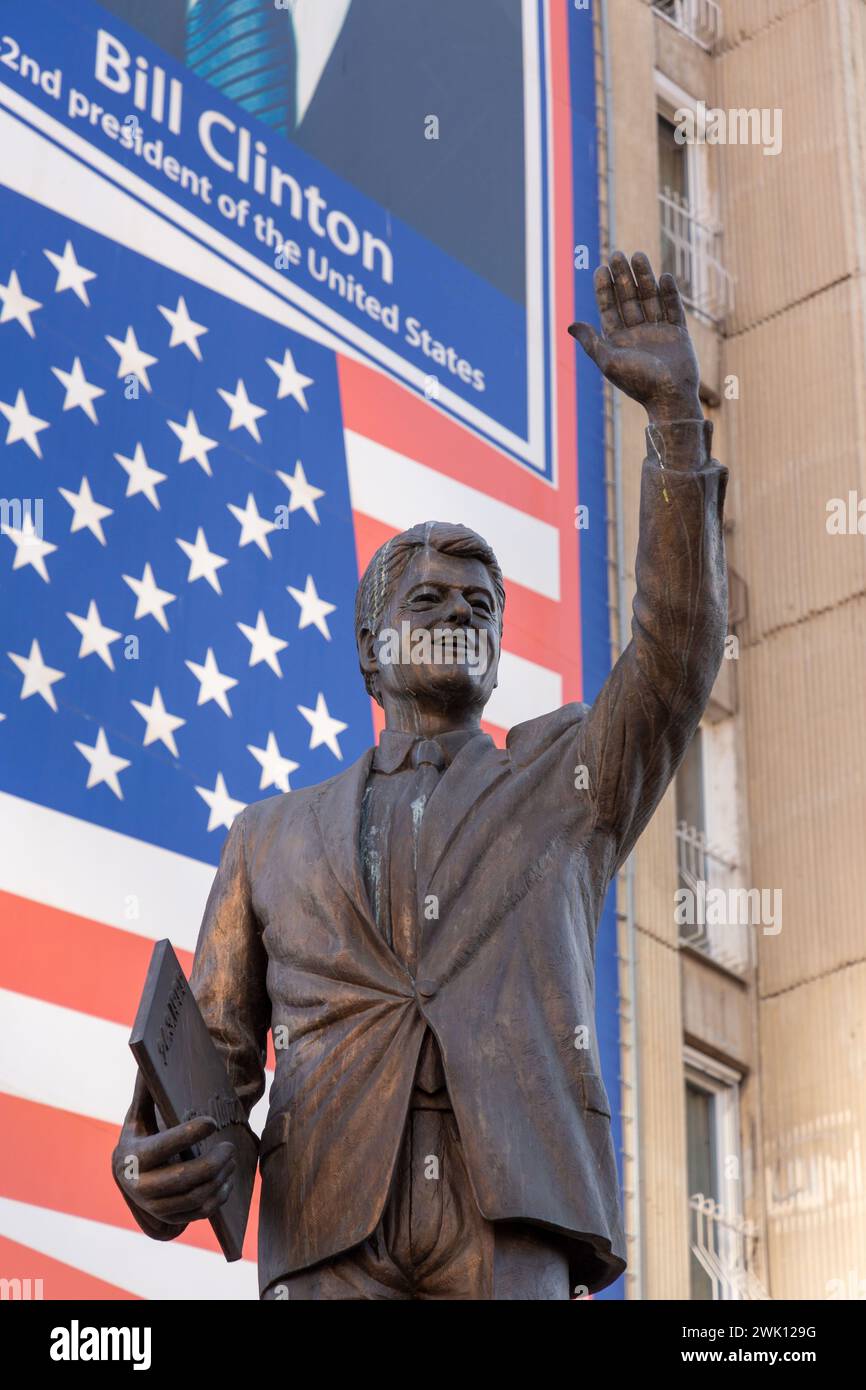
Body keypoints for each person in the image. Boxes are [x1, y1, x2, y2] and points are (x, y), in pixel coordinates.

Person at [113, 253, 729, 1300]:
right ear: (368, 648)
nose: (460, 616)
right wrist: (150, 1164)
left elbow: (674, 650)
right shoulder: (271, 835)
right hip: (327, 1209)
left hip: (510, 1203)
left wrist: (674, 416)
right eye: (432, 600)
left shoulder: (564, 778)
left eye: (480, 608)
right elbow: (207, 1064)